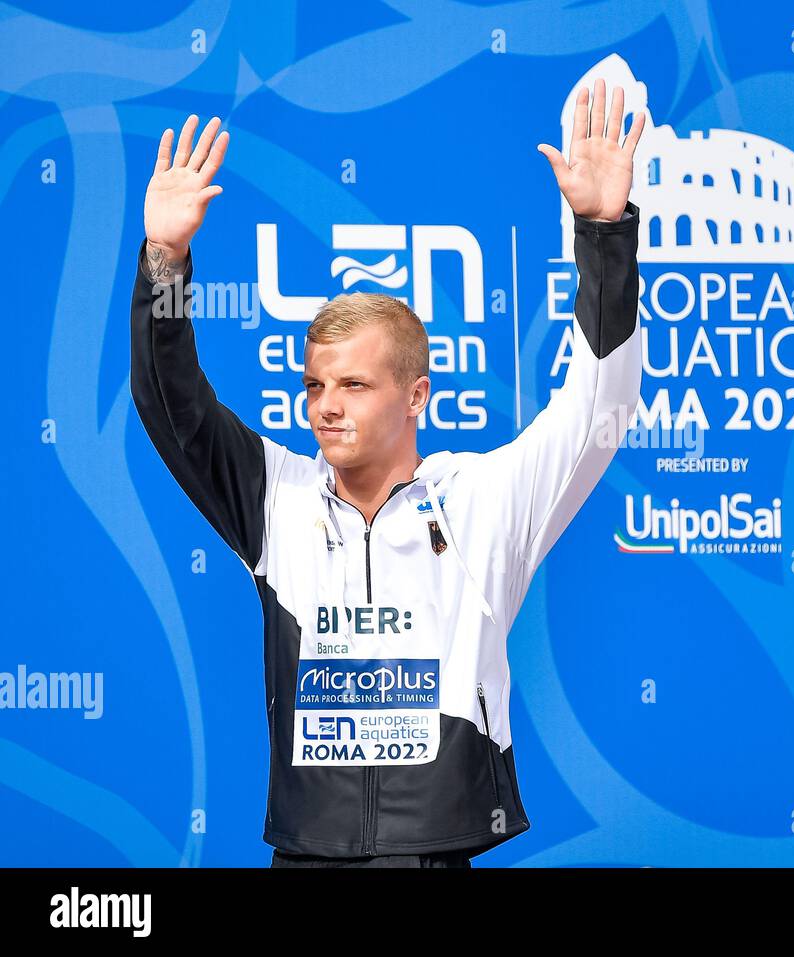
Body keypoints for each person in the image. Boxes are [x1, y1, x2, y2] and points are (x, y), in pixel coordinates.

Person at [130, 79, 645, 867]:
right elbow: (173, 403)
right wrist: (165, 261)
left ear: (416, 395)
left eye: (353, 385)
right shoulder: (278, 497)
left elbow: (598, 402)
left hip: (433, 847)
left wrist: (603, 232)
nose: (325, 407)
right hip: (306, 849)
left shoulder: (483, 500)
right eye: (314, 385)